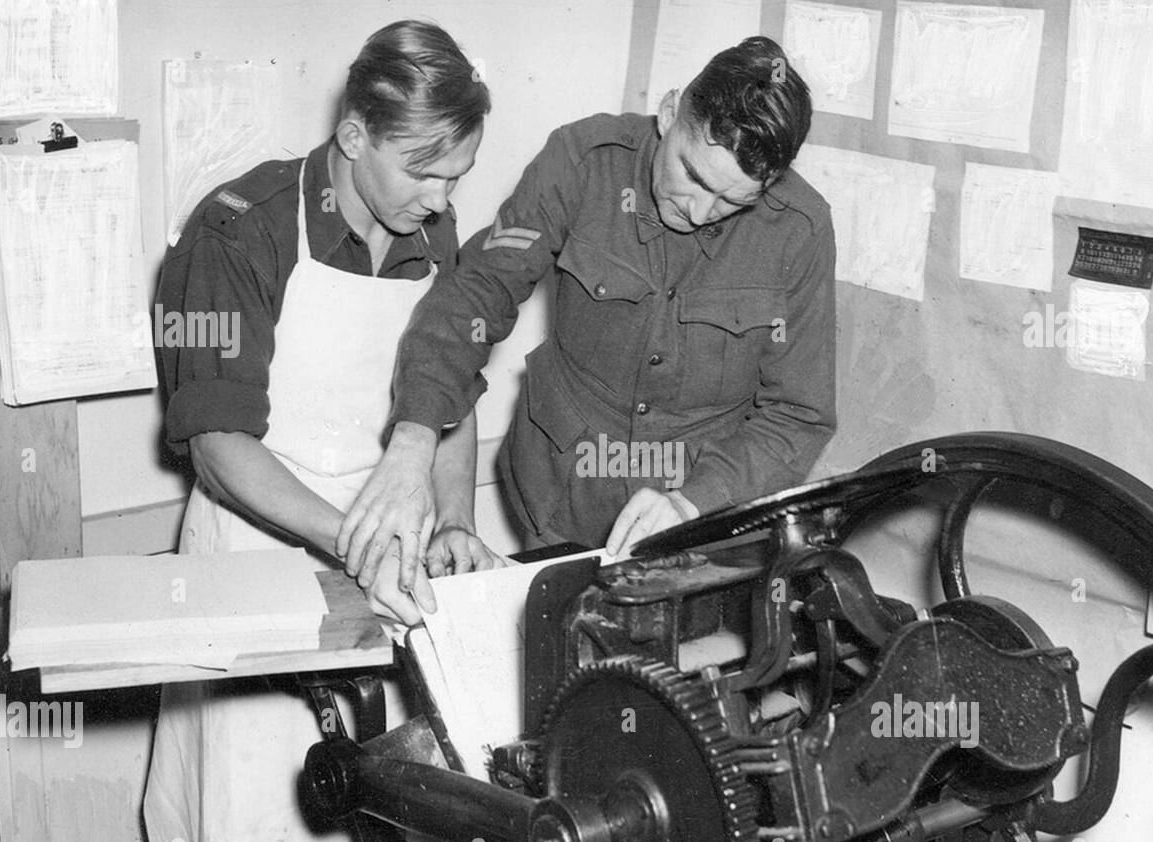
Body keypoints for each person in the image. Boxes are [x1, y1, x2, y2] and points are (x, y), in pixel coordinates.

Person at [144, 20, 497, 842]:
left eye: (458, 174)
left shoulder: (436, 234)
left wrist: (454, 522)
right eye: (423, 169)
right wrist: (354, 542)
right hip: (258, 558)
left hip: (387, 573)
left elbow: (446, 401)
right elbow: (220, 449)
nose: (442, 196)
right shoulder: (234, 232)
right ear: (351, 138)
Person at [337, 36, 837, 602]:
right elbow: (476, 294)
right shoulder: (583, 160)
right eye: (694, 176)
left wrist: (693, 499)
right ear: (670, 114)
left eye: (733, 201)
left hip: (705, 521)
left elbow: (798, 415)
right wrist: (412, 443)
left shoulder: (801, 230)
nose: (699, 212)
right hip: (560, 494)